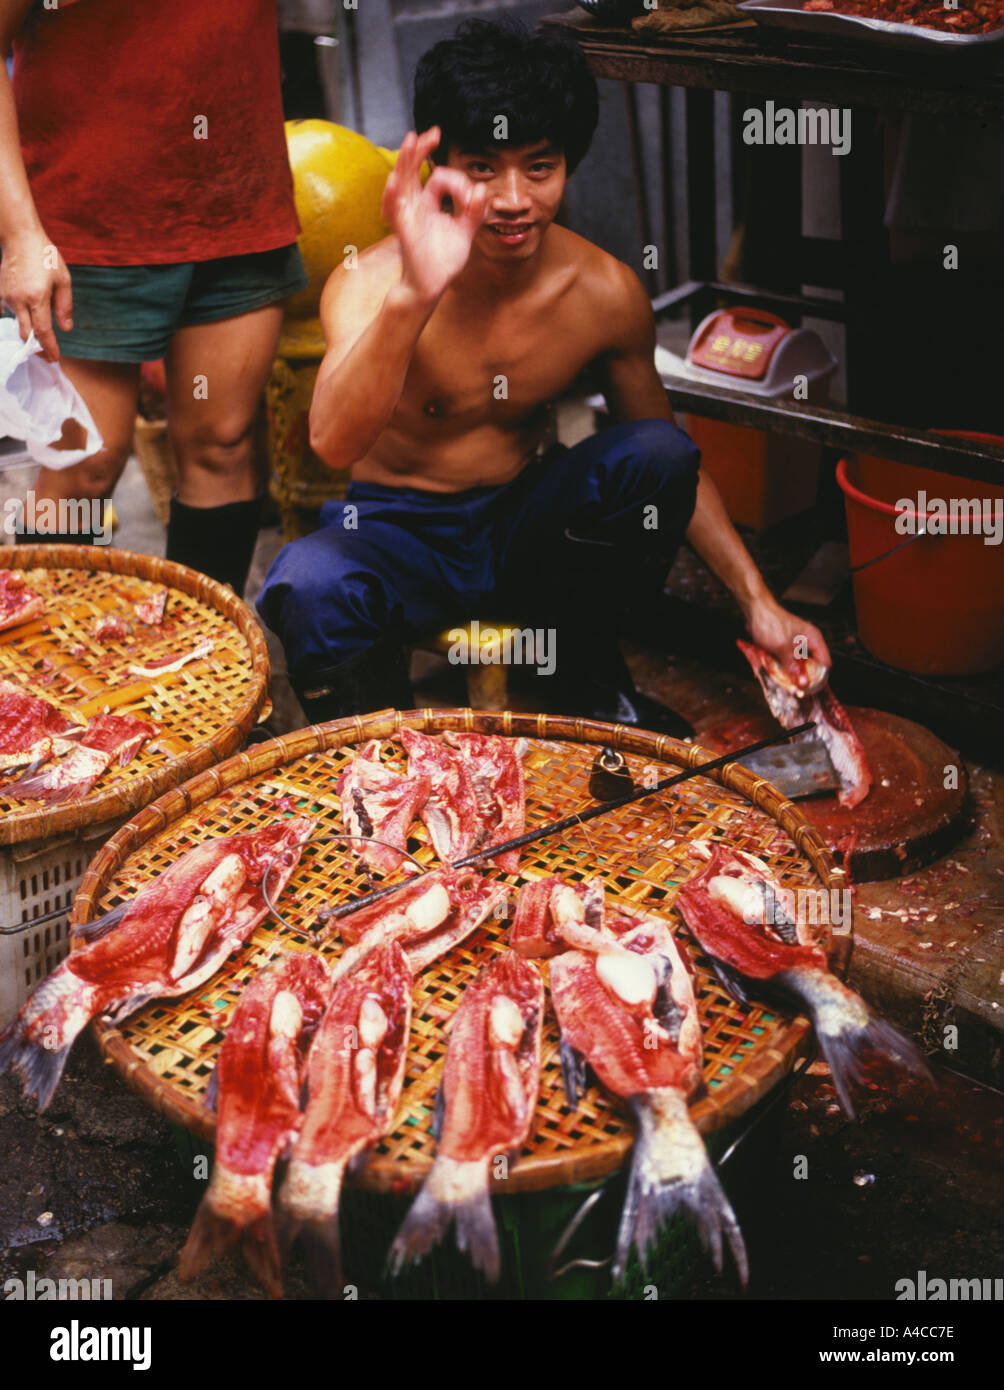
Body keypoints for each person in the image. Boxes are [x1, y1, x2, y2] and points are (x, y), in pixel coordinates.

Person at [258, 18, 830, 728]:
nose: (512, 200)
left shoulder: (603, 291)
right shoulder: (371, 281)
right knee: (310, 582)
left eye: (539, 166)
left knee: (656, 455)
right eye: (480, 167)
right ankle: (391, 757)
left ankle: (583, 674)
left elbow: (669, 459)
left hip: (525, 528)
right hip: (396, 535)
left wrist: (760, 602)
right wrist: (417, 294)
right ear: (436, 164)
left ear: (568, 164)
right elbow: (334, 445)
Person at [0, 0, 307, 594]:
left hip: (238, 201)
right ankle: (52, 672)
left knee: (222, 446)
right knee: (85, 464)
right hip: (90, 219)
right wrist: (18, 236)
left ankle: (196, 660)